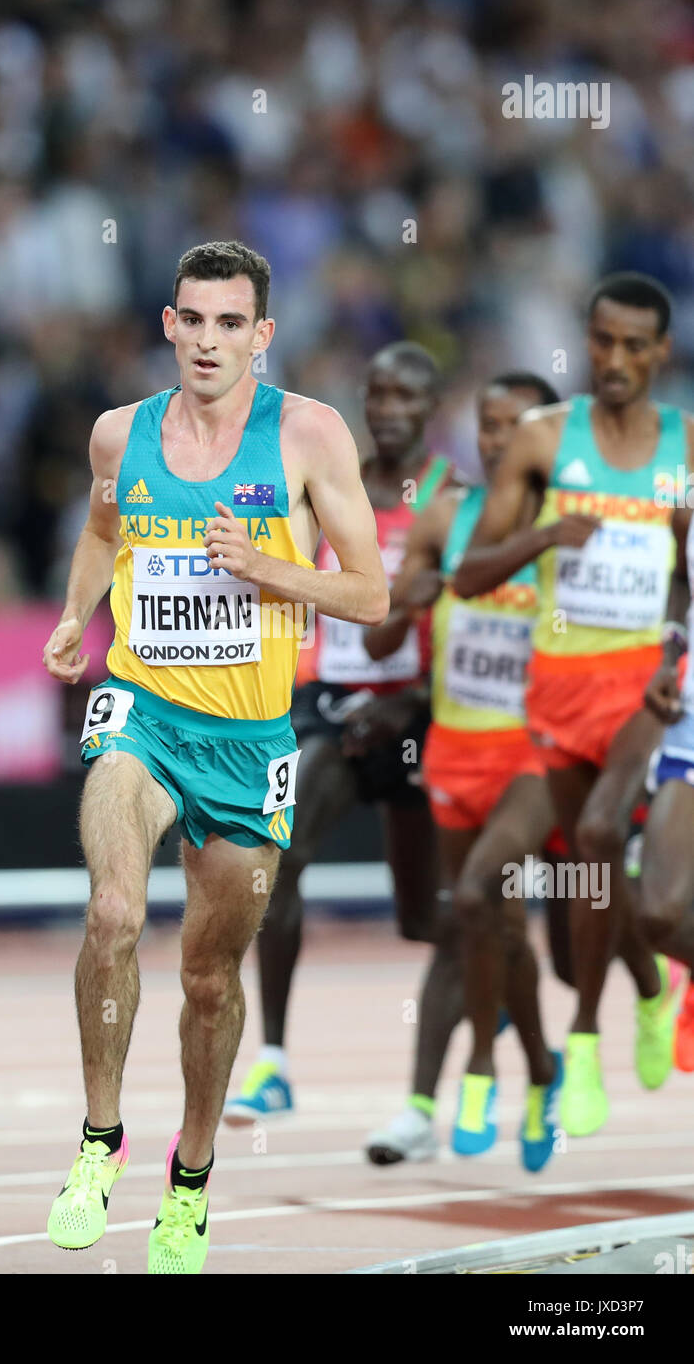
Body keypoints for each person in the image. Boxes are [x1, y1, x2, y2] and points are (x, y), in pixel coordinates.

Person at [41, 240, 389, 1273]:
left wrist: (272, 568)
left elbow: (370, 592)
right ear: (167, 324)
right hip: (142, 713)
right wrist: (74, 615)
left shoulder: (309, 435)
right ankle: (99, 1142)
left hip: (249, 742)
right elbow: (105, 531)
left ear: (260, 335)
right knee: (111, 909)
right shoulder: (121, 434)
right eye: (191, 320)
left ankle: (187, 1180)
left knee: (206, 976)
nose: (206, 340)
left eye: (228, 324)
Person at [454, 272, 694, 1137]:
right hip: (556, 686)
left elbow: (687, 591)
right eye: (603, 341)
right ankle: (652, 982)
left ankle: (586, 1037)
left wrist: (675, 638)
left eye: (636, 345)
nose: (617, 359)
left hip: (646, 684)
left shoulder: (687, 449)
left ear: (662, 352)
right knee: (585, 875)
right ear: (585, 339)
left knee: (598, 834)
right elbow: (471, 578)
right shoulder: (542, 441)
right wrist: (547, 534)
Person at [223, 342, 453, 1124]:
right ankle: (275, 1061)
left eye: (405, 399)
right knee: (279, 857)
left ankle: (493, 995)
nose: (388, 411)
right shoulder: (331, 478)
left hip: (421, 711)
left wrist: (414, 699)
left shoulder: (452, 498)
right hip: (332, 702)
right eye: (377, 395)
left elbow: (467, 612)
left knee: (422, 917)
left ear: (432, 408)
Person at [363, 373, 563, 1170]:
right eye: (486, 423)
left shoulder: (566, 526)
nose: (495, 439)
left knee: (482, 894)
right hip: (453, 752)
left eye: (513, 426)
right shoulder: (444, 515)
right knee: (496, 927)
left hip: (534, 755)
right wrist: (404, 604)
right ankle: (542, 1073)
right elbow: (378, 643)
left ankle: (483, 1065)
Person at [639, 504, 694, 1067]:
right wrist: (671, 651)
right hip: (690, 732)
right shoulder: (690, 499)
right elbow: (683, 572)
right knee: (659, 915)